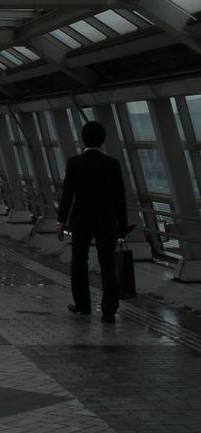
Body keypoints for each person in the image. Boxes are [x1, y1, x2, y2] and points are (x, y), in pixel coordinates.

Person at [56, 119, 128, 323]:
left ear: (83, 139)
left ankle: (83, 304)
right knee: (107, 264)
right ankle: (109, 310)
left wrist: (61, 220)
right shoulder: (112, 164)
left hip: (81, 221)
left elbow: (68, 193)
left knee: (79, 262)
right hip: (107, 222)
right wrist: (122, 225)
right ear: (103, 140)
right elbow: (119, 197)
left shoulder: (75, 163)